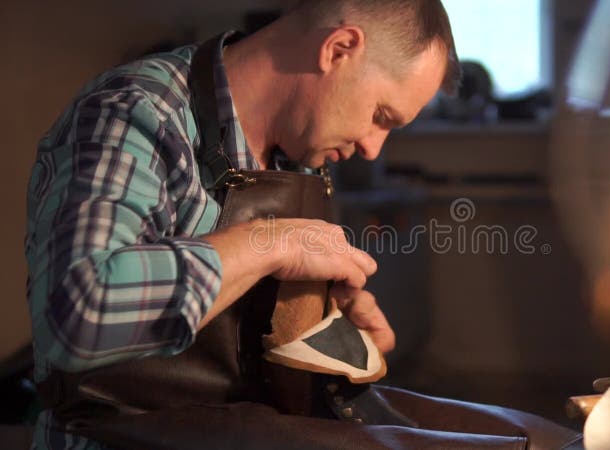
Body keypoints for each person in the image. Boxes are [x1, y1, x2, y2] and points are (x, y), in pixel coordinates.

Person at [25, 0, 582, 448]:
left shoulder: (299, 157)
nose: (373, 147)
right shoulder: (136, 114)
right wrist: (269, 243)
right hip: (119, 439)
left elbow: (244, 346)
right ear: (338, 49)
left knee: (531, 438)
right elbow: (78, 315)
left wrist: (330, 335)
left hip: (248, 431)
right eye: (380, 116)